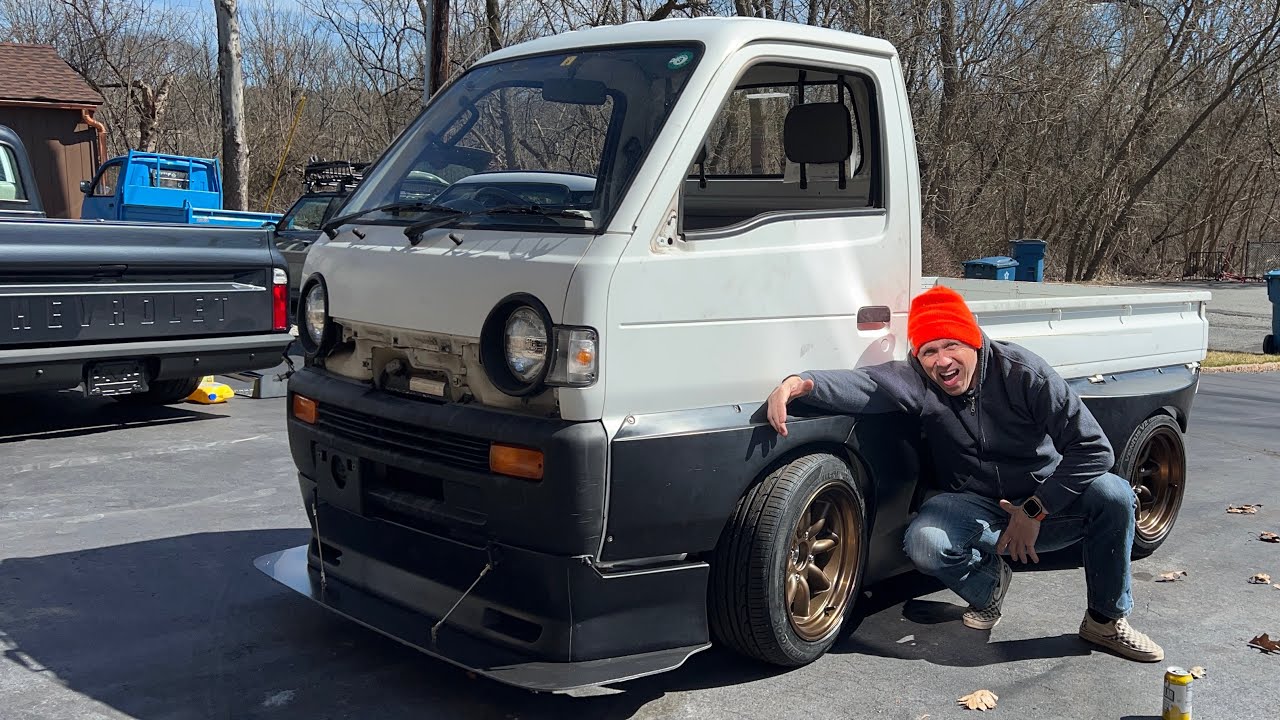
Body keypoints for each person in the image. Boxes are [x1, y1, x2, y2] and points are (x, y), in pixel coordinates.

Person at [764, 284, 1163, 662]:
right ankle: (989, 586)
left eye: (951, 344)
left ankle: (1105, 621)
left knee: (1113, 495)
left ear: (973, 339)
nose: (941, 360)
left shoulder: (1024, 373)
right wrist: (800, 384)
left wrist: (1036, 508)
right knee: (926, 542)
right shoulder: (918, 382)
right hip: (975, 504)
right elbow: (862, 385)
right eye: (929, 351)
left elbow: (1094, 449)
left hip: (1045, 502)